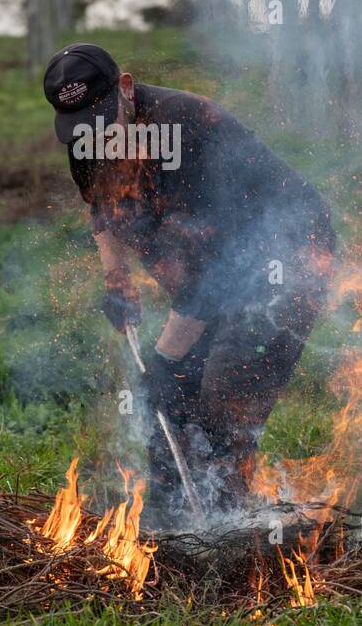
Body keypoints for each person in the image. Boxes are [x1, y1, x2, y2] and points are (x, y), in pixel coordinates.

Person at [44, 42, 336, 523]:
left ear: (126, 88)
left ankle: (231, 536)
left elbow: (215, 271)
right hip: (206, 270)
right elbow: (101, 208)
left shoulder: (188, 129)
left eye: (101, 124)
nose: (94, 141)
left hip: (284, 260)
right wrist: (117, 279)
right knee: (172, 402)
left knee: (223, 394)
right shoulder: (87, 139)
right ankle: (171, 523)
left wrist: (164, 358)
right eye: (81, 132)